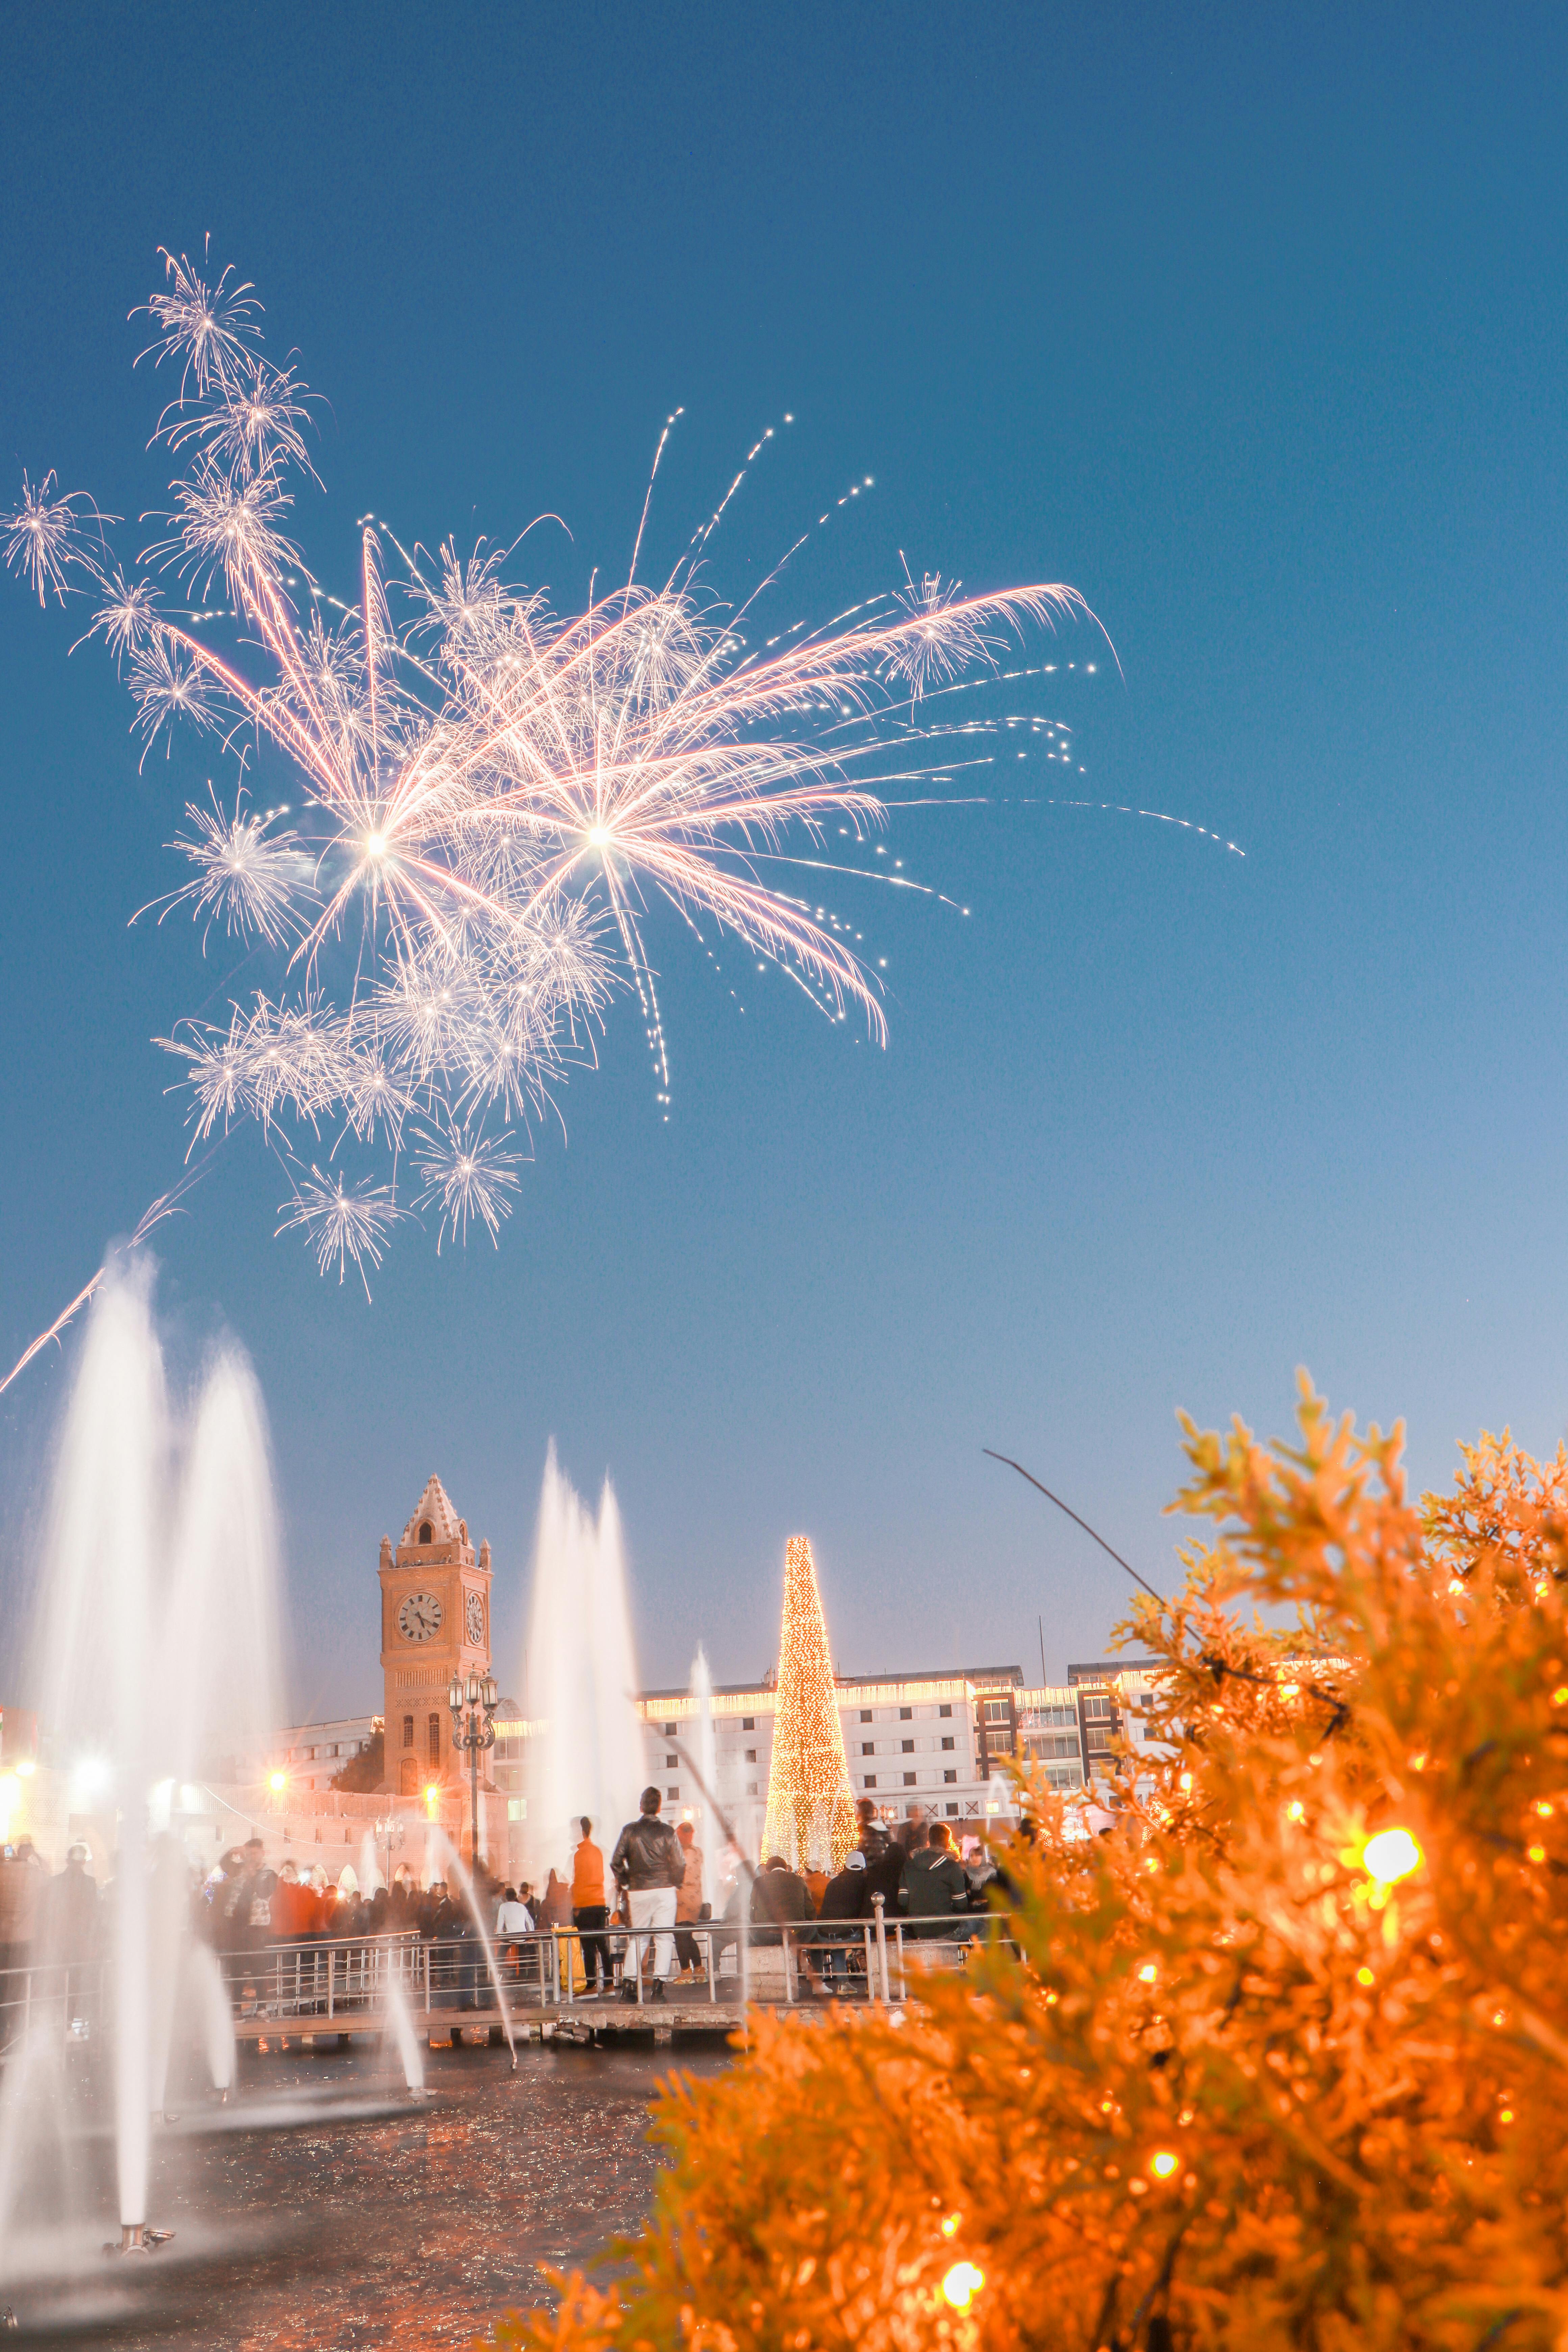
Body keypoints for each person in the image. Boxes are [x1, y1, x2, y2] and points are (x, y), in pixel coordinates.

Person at [610, 1787, 685, 2002]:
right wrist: (676, 1882)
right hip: (664, 1890)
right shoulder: (668, 1832)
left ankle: (628, 1988)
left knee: (638, 1939)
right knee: (664, 1939)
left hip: (639, 1890)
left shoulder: (629, 1831)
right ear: (660, 1807)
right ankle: (658, 1989)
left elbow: (616, 1862)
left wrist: (626, 1881)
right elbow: (680, 1863)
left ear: (641, 1806)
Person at [814, 1847, 870, 1988]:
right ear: (864, 1867)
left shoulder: (833, 1882)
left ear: (845, 1866)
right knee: (871, 1938)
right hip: (847, 1935)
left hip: (823, 1934)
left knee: (837, 1939)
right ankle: (872, 1984)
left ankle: (843, 1984)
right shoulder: (864, 1883)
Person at [903, 1819, 968, 1938]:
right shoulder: (952, 1867)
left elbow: (903, 1900)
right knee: (983, 1928)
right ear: (948, 1843)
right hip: (946, 1927)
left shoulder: (909, 1866)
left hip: (918, 1929)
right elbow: (961, 1904)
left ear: (929, 1841)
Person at [571, 1817, 610, 1995]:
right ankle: (609, 1985)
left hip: (585, 1905)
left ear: (581, 1832)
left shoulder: (580, 1855)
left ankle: (591, 1986)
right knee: (602, 1945)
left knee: (588, 1947)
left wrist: (576, 1905)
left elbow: (580, 1881)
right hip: (600, 1903)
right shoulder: (597, 1852)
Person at [750, 1854, 813, 1948]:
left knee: (749, 1935)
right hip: (794, 1935)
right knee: (814, 1930)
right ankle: (803, 1960)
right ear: (786, 1869)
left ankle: (759, 1961)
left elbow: (753, 1911)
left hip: (766, 1936)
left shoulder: (758, 1882)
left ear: (767, 1871)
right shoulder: (799, 1880)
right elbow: (810, 1911)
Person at [856, 1799, 905, 1918]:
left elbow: (861, 1852)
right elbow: (893, 1846)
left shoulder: (863, 1829)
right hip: (886, 1871)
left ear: (862, 1813)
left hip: (871, 1872)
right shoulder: (882, 1828)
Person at [673, 1820, 706, 1977]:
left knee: (681, 1935)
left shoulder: (679, 1853)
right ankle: (699, 1970)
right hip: (695, 1899)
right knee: (687, 1935)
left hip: (682, 1899)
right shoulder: (698, 1852)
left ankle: (686, 1972)